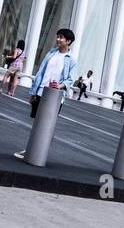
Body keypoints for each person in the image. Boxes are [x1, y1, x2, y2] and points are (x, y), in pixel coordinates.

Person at [14, 28, 77, 159]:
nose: (58, 39)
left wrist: (60, 85)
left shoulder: (71, 59)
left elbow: (71, 79)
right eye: (58, 36)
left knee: (47, 124)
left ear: (69, 41)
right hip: (41, 92)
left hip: (55, 97)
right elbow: (41, 73)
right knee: (38, 123)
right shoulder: (51, 53)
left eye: (61, 37)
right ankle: (33, 149)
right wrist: (33, 92)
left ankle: (36, 150)